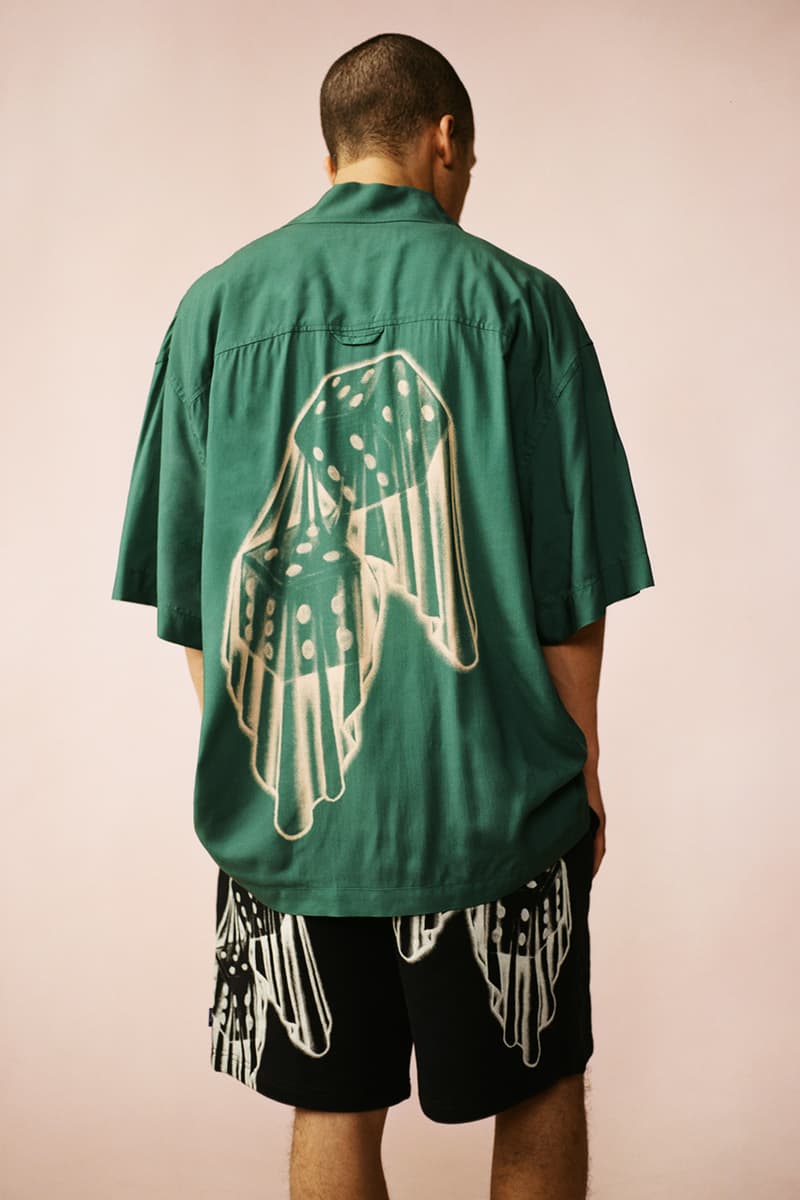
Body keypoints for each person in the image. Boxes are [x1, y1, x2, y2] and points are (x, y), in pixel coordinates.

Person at [111, 31, 655, 1200]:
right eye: (470, 161)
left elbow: (197, 605)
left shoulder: (211, 311)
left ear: (331, 153)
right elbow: (569, 586)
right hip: (495, 808)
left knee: (332, 1104)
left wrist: (260, 755)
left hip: (294, 824)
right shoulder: (521, 306)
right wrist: (582, 767)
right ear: (444, 139)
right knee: (536, 1092)